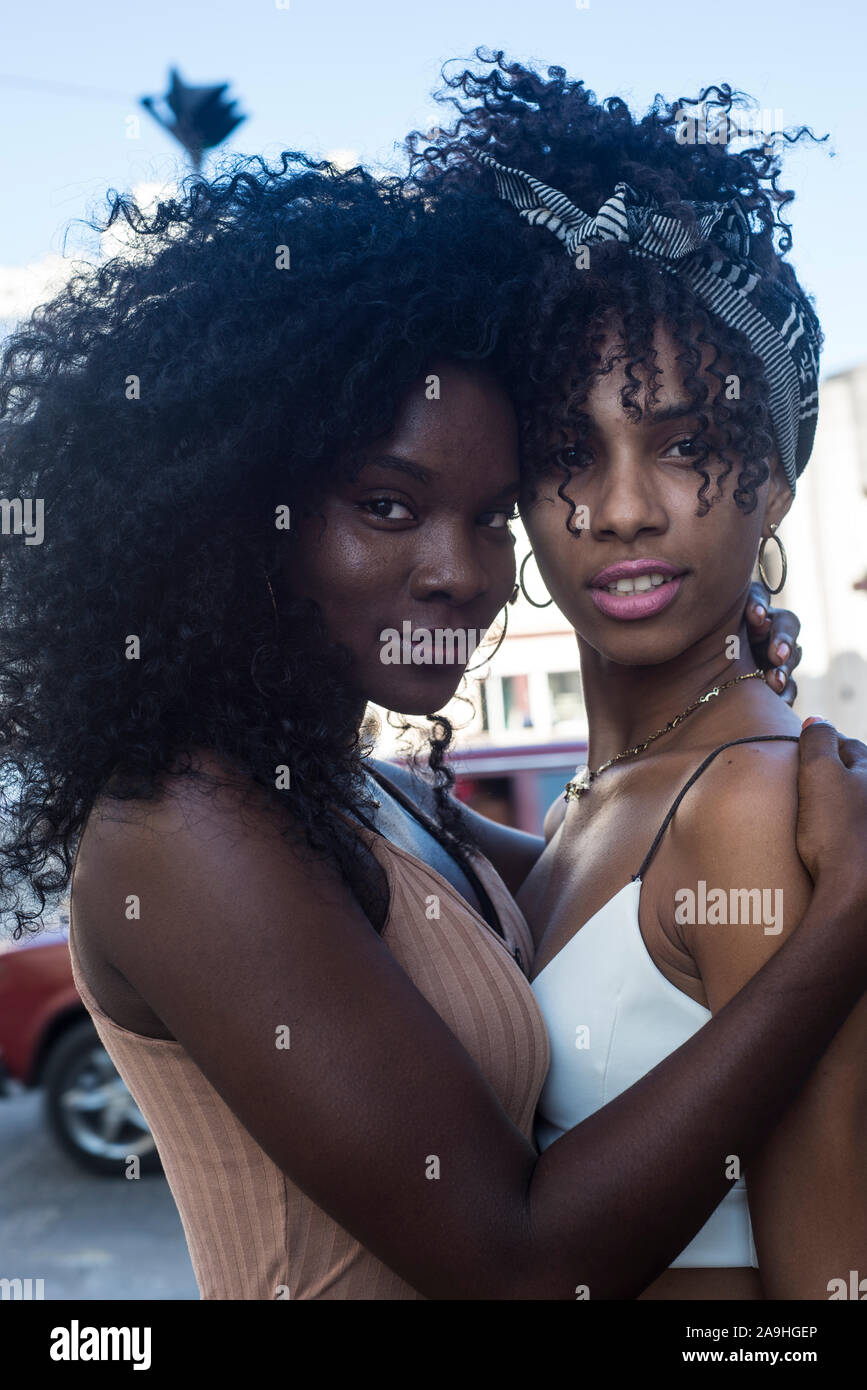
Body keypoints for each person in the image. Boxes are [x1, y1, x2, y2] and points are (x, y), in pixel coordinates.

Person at [0, 145, 864, 1301]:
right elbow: (516, 1266)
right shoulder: (187, 820)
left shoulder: (381, 797)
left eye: (494, 513)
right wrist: (837, 938)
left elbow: (610, 871)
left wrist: (734, 633)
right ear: (241, 508)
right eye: (389, 505)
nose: (461, 571)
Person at [417, 53, 866, 1298]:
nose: (620, 509)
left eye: (685, 446)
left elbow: (826, 1295)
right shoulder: (595, 787)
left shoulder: (752, 805)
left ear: (772, 485)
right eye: (571, 449)